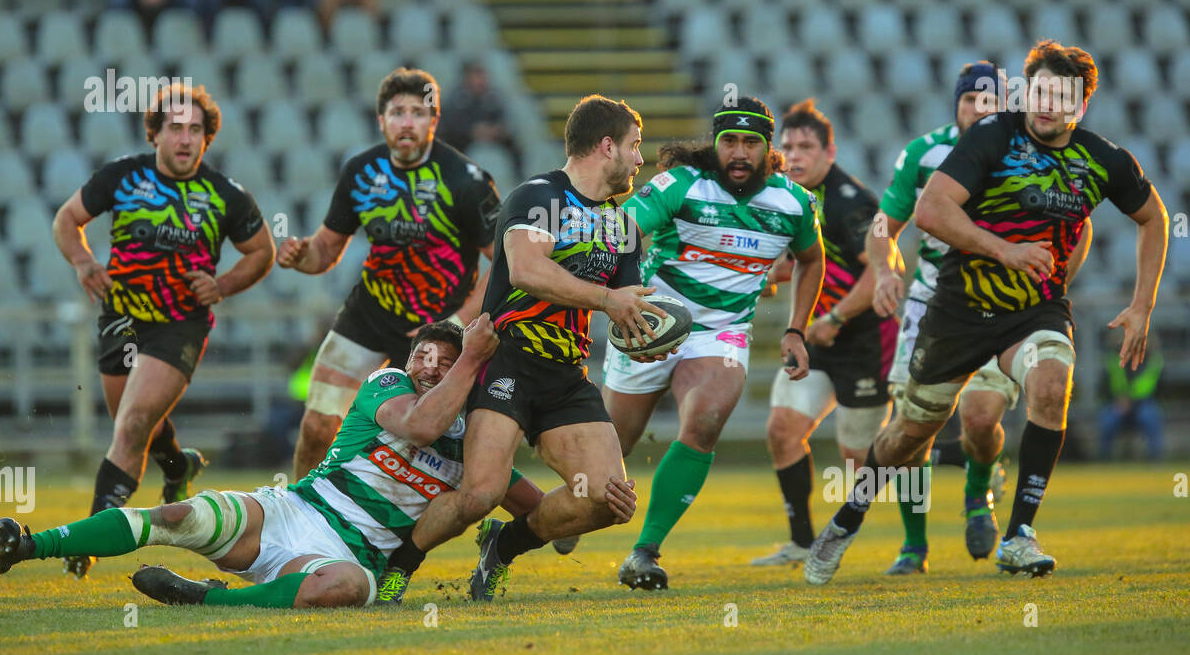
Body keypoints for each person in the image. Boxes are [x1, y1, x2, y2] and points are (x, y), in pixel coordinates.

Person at [805, 40, 1168, 584]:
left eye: (1061, 96)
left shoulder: (1103, 160)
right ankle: (848, 518)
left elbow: (1153, 216)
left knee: (1049, 383)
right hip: (956, 307)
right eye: (1039, 91)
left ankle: (1018, 533)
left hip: (1034, 309)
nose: (1047, 103)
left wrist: (1142, 305)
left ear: (1082, 106)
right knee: (909, 434)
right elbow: (926, 211)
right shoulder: (988, 139)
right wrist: (901, 268)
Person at [0, 319, 631, 608]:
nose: (429, 363)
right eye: (424, 354)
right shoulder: (385, 387)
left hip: (352, 556)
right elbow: (423, 423)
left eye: (445, 356)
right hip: (296, 509)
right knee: (179, 513)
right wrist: (470, 361)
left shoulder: (476, 449)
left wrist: (594, 495)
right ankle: (31, 541)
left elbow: (546, 518)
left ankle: (209, 600)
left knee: (341, 590)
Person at [378, 94, 659, 602]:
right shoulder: (538, 197)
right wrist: (607, 299)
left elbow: (625, 311)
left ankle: (503, 547)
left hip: (567, 376)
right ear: (606, 146)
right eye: (635, 147)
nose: (641, 159)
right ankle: (399, 566)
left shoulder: (623, 226)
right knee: (480, 494)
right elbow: (528, 272)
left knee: (609, 501)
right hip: (506, 360)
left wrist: (645, 341)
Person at [866, 62, 1092, 574]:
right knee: (911, 428)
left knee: (980, 416)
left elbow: (1081, 226)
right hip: (931, 302)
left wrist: (1053, 284)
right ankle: (914, 547)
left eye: (991, 102)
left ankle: (978, 491)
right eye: (971, 100)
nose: (980, 109)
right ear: (957, 105)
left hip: (1006, 306)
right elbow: (885, 221)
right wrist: (884, 270)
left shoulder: (1030, 153)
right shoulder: (924, 153)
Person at [51, 84, 275, 578]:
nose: (186, 138)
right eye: (175, 128)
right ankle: (178, 468)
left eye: (196, 130)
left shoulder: (226, 195)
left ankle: (85, 541)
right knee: (135, 427)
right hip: (121, 319)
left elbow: (263, 251)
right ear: (154, 133)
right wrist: (84, 261)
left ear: (206, 139)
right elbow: (67, 219)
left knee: (131, 425)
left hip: (181, 324)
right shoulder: (122, 176)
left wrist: (223, 284)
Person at [601, 97, 824, 589]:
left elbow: (812, 260)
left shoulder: (795, 203)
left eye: (752, 142)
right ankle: (573, 510)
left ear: (769, 148)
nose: (740, 152)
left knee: (703, 421)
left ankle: (645, 551)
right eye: (730, 141)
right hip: (651, 325)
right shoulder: (682, 184)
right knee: (607, 457)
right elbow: (623, 232)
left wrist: (795, 329)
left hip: (721, 332)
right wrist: (619, 292)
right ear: (715, 144)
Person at [277, 68, 502, 480]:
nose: (407, 122)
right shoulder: (360, 172)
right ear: (381, 120)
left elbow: (504, 261)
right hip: (368, 315)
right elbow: (325, 250)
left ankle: (532, 516)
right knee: (317, 425)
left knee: (435, 452)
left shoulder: (466, 180)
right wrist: (300, 255)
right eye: (397, 112)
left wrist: (456, 324)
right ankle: (297, 520)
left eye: (418, 113)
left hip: (437, 330)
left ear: (433, 121)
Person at [751, 99, 896, 569]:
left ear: (829, 152)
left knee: (864, 459)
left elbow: (884, 269)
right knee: (782, 431)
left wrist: (835, 320)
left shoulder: (852, 203)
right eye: (787, 146)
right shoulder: (787, 198)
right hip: (815, 339)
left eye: (806, 146)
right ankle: (801, 542)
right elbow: (802, 260)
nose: (794, 156)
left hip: (864, 342)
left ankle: (924, 519)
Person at [437, 61, 521, 172]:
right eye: (476, 76)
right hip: (463, 145)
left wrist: (494, 130)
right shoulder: (455, 99)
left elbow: (504, 122)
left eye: (482, 76)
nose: (480, 80)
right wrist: (472, 130)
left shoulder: (494, 97)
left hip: (493, 143)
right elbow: (450, 125)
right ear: (467, 78)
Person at [1099, 345, 1164, 461]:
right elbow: (1107, 386)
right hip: (1118, 403)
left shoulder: (1154, 360)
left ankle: (1156, 457)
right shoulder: (1114, 359)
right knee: (1107, 419)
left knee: (1150, 416)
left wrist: (1131, 400)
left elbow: (1152, 385)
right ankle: (1104, 457)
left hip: (1143, 402)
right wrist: (1120, 400)